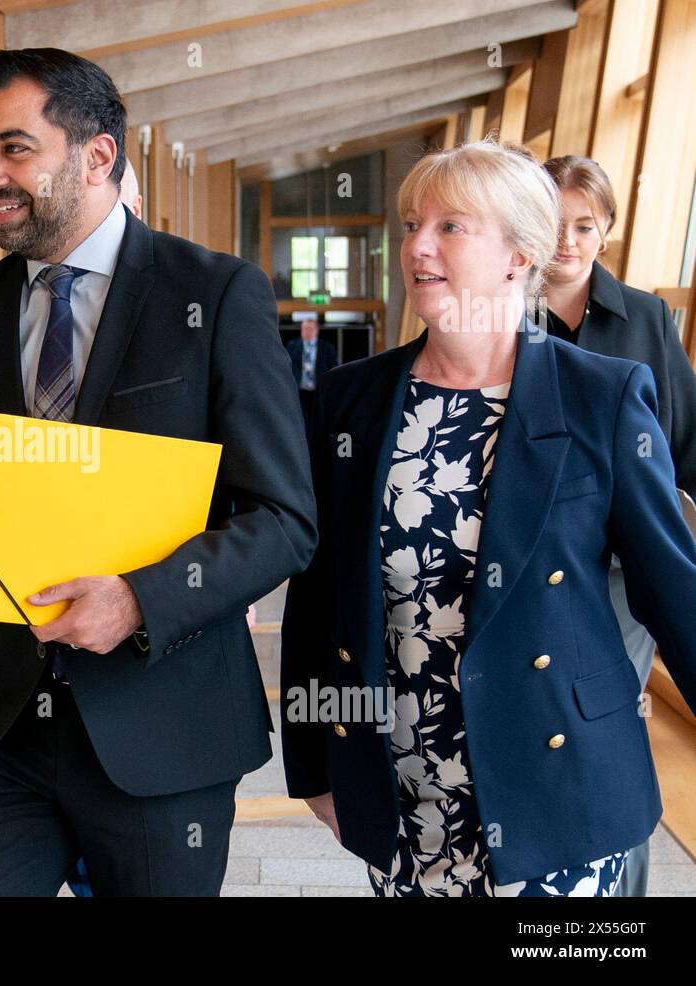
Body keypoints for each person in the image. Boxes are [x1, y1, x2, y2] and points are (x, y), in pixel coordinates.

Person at [0, 48, 316, 896]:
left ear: (99, 155)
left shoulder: (217, 295)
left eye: (15, 148)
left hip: (166, 729)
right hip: (4, 731)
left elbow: (283, 519)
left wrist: (137, 601)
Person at [281, 139, 696, 896]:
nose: (417, 245)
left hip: (560, 783)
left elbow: (673, 589)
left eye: (451, 226)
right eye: (412, 223)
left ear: (520, 254)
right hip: (407, 786)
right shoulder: (354, 400)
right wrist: (315, 762)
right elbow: (318, 599)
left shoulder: (601, 397)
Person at [542, 154, 696, 895]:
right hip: (533, 566)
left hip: (620, 571)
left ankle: (620, 895)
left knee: (608, 724)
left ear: (607, 228)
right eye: (555, 222)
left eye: (585, 224)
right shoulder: (497, 317)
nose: (568, 242)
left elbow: (686, 443)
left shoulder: (649, 319)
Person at [285, 317, 338, 420]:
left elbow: (333, 368)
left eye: (310, 329)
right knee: (300, 418)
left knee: (318, 418)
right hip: (299, 390)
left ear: (316, 330)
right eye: (305, 329)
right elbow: (287, 367)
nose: (307, 332)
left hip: (318, 389)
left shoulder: (326, 347)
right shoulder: (292, 346)